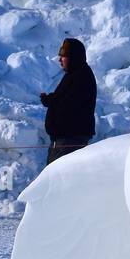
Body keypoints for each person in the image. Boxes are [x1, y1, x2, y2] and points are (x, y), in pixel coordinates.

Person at [41, 38, 97, 166]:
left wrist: (52, 102)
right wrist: (50, 100)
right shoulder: (75, 74)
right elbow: (63, 99)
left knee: (59, 180)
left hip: (69, 141)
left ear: (74, 57)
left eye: (64, 56)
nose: (60, 59)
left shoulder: (81, 76)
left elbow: (68, 105)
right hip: (64, 141)